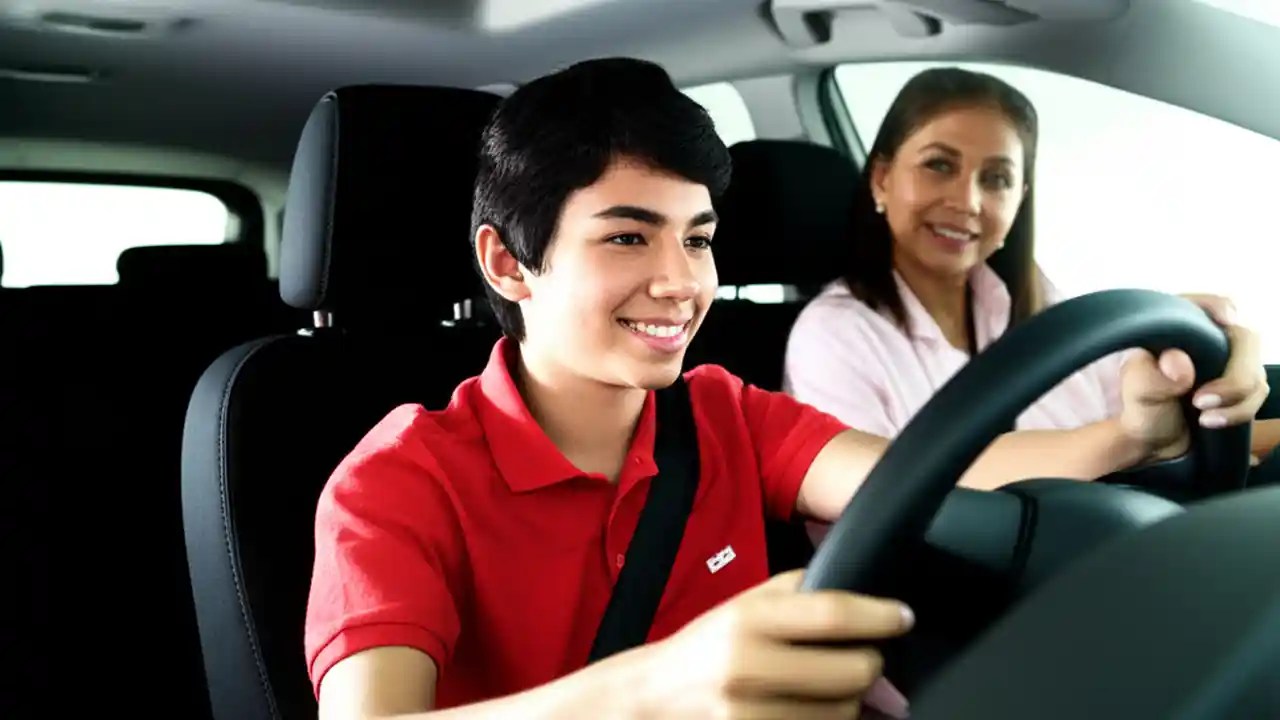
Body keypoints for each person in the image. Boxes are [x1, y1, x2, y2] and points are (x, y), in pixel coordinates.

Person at [304, 58, 1267, 720]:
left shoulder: (727, 413)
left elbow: (923, 477)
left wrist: (1144, 435)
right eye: (628, 236)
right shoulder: (393, 482)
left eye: (699, 236)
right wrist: (655, 692)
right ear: (509, 266)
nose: (682, 282)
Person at [783, 68, 1278, 530]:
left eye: (995, 179)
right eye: (939, 165)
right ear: (882, 178)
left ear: (1019, 198)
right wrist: (1124, 439)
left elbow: (1167, 438)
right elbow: (872, 512)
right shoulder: (833, 336)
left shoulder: (1048, 314)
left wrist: (1198, 374)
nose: (968, 201)